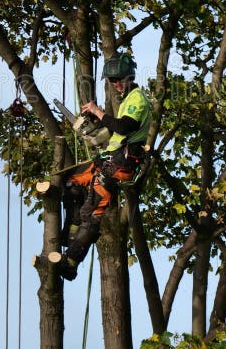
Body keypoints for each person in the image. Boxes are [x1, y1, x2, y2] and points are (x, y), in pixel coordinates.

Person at [49, 52, 152, 281]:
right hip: (109, 159)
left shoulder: (137, 99)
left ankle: (71, 263)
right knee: (72, 181)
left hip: (120, 165)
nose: (116, 85)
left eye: (119, 80)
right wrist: (97, 126)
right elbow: (115, 132)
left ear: (129, 77)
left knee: (92, 212)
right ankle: (71, 233)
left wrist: (97, 111)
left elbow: (124, 127)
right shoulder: (126, 100)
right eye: (112, 81)